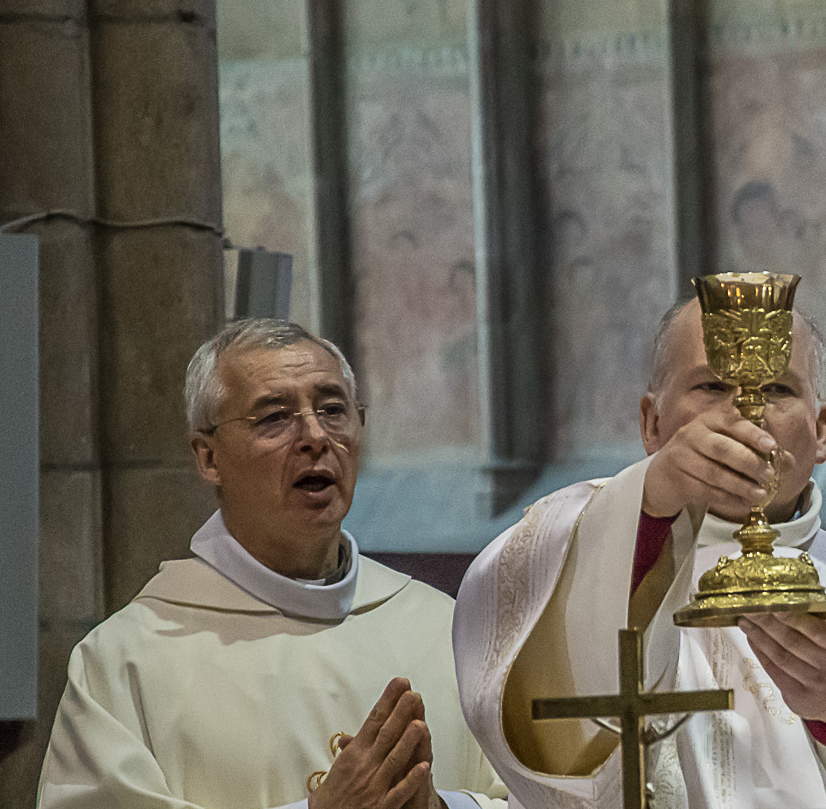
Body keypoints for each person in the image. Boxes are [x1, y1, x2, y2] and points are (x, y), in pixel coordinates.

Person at [453, 299, 826, 809]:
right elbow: (511, 611)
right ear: (652, 423)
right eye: (712, 386)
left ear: (821, 430)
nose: (746, 414)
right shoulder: (585, 540)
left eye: (777, 389)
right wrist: (651, 505)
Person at [38, 319, 507, 809]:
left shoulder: (447, 631)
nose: (315, 436)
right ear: (209, 458)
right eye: (274, 418)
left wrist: (440, 807)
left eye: (332, 410)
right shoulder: (122, 661)